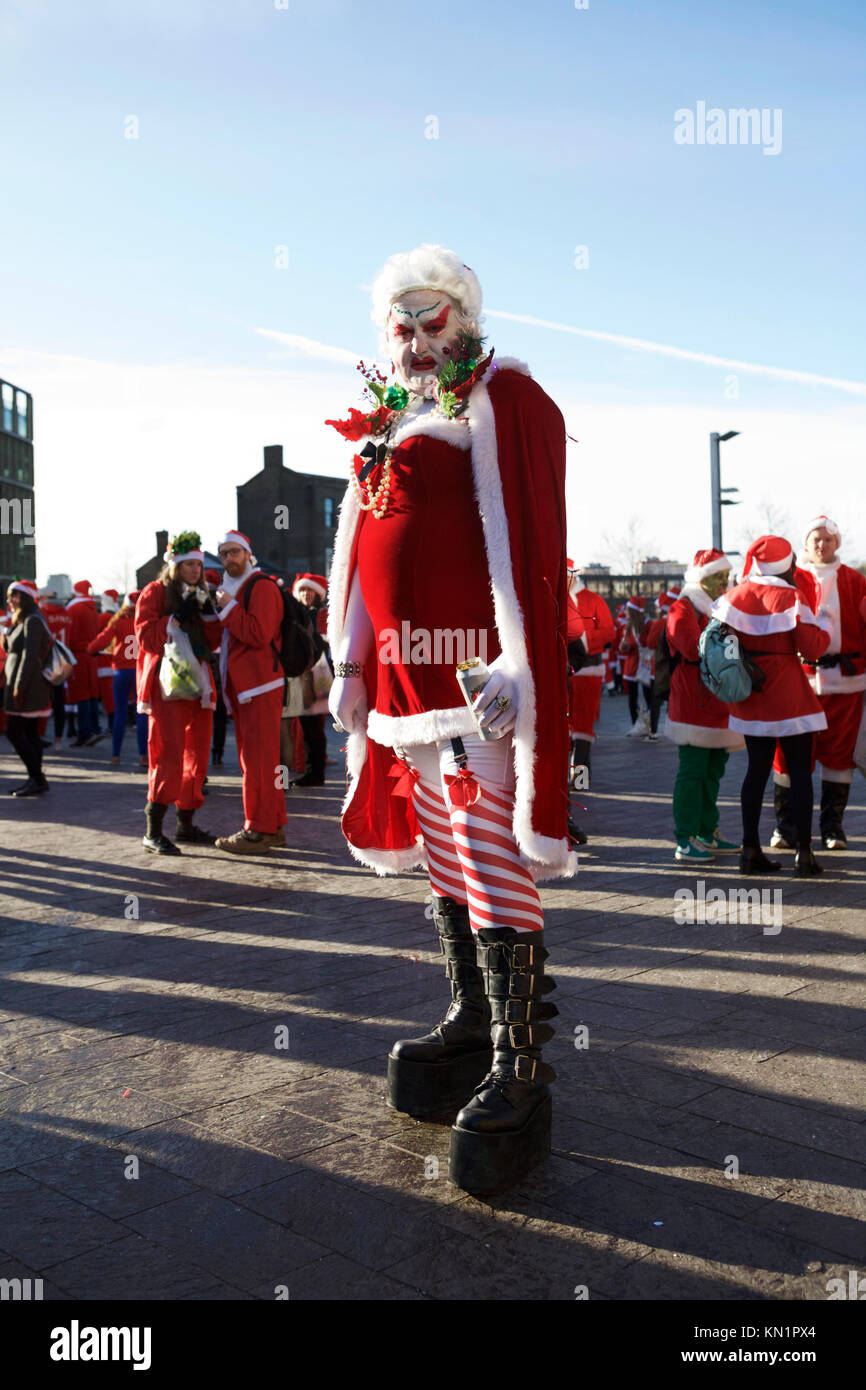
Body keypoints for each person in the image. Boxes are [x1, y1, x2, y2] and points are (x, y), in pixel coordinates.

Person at [326, 244, 570, 1193]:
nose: (419, 335)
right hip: (402, 684)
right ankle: (472, 1019)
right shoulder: (393, 418)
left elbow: (527, 533)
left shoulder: (500, 397)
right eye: (403, 320)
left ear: (464, 318)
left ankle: (521, 1064)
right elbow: (362, 547)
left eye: (435, 317)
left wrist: (517, 658)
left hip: (474, 676)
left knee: (489, 851)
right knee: (443, 854)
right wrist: (351, 657)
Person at [712, 535, 832, 876]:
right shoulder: (792, 596)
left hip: (751, 694)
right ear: (786, 564)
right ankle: (804, 854)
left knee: (756, 771)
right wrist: (825, 623)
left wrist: (747, 668)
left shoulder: (734, 596)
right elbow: (813, 649)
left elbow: (726, 647)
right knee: (799, 773)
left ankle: (750, 850)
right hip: (790, 695)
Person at [771, 515, 866, 852]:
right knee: (788, 754)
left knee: (839, 756)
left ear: (837, 543)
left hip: (846, 682)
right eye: (816, 540)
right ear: (806, 545)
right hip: (799, 682)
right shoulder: (790, 581)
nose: (822, 545)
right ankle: (786, 827)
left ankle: (832, 828)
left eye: (828, 539)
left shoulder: (855, 581)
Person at [135, 532, 220, 853]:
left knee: (197, 753)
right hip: (166, 685)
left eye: (199, 564)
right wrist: (174, 620)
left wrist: (209, 614)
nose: (196, 570)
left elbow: (212, 642)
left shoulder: (202, 593)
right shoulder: (155, 592)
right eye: (189, 565)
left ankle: (186, 824)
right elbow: (144, 638)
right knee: (167, 752)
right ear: (175, 566)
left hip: (199, 683)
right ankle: (152, 830)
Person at [212, 530, 288, 855]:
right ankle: (273, 824)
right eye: (224, 554)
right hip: (247, 688)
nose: (229, 559)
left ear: (247, 554)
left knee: (257, 761)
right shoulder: (237, 589)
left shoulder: (262, 587)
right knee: (260, 760)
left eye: (234, 552)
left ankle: (257, 829)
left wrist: (227, 609)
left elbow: (259, 633)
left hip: (260, 685)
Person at [664, 550, 742, 861]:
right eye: (717, 576)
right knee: (693, 771)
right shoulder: (681, 608)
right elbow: (693, 648)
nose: (724, 581)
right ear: (701, 578)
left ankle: (707, 831)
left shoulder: (722, 608)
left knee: (713, 772)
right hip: (693, 702)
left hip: (719, 700)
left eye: (726, 576)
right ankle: (685, 837)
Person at [1, 580, 53, 796]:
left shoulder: (32, 620)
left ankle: (36, 777)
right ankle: (36, 779)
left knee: (14, 731)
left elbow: (29, 657)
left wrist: (18, 687)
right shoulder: (27, 619)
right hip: (27, 685)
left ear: (25, 597)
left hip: (28, 687)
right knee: (30, 732)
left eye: (14, 596)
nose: (9, 601)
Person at [565, 561, 616, 782]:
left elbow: (608, 632)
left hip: (588, 670)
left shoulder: (594, 600)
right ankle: (574, 777)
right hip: (564, 673)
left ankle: (579, 780)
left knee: (583, 726)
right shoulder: (555, 599)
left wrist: (583, 641)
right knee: (567, 726)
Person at [90, 591, 148, 767]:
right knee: (142, 714)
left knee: (120, 714)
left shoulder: (118, 620)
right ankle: (143, 756)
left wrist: (90, 649)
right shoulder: (145, 620)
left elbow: (101, 640)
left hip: (120, 671)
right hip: (139, 671)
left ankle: (116, 755)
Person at [291, 572, 330, 787]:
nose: (306, 594)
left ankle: (315, 772)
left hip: (316, 672)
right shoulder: (296, 613)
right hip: (299, 672)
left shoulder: (321, 615)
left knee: (314, 725)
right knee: (304, 725)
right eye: (303, 590)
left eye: (310, 590)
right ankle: (307, 770)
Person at [65, 579, 103, 746]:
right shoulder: (93, 608)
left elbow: (70, 634)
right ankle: (94, 728)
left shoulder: (73, 608)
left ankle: (84, 733)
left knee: (81, 694)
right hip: (92, 655)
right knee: (92, 693)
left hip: (78, 655)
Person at [620, 596, 650, 735]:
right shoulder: (628, 627)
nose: (625, 612)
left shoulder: (647, 624)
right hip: (631, 665)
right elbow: (623, 647)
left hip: (645, 664)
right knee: (632, 698)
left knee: (648, 696)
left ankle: (648, 724)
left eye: (627, 609)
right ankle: (635, 724)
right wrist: (624, 646)